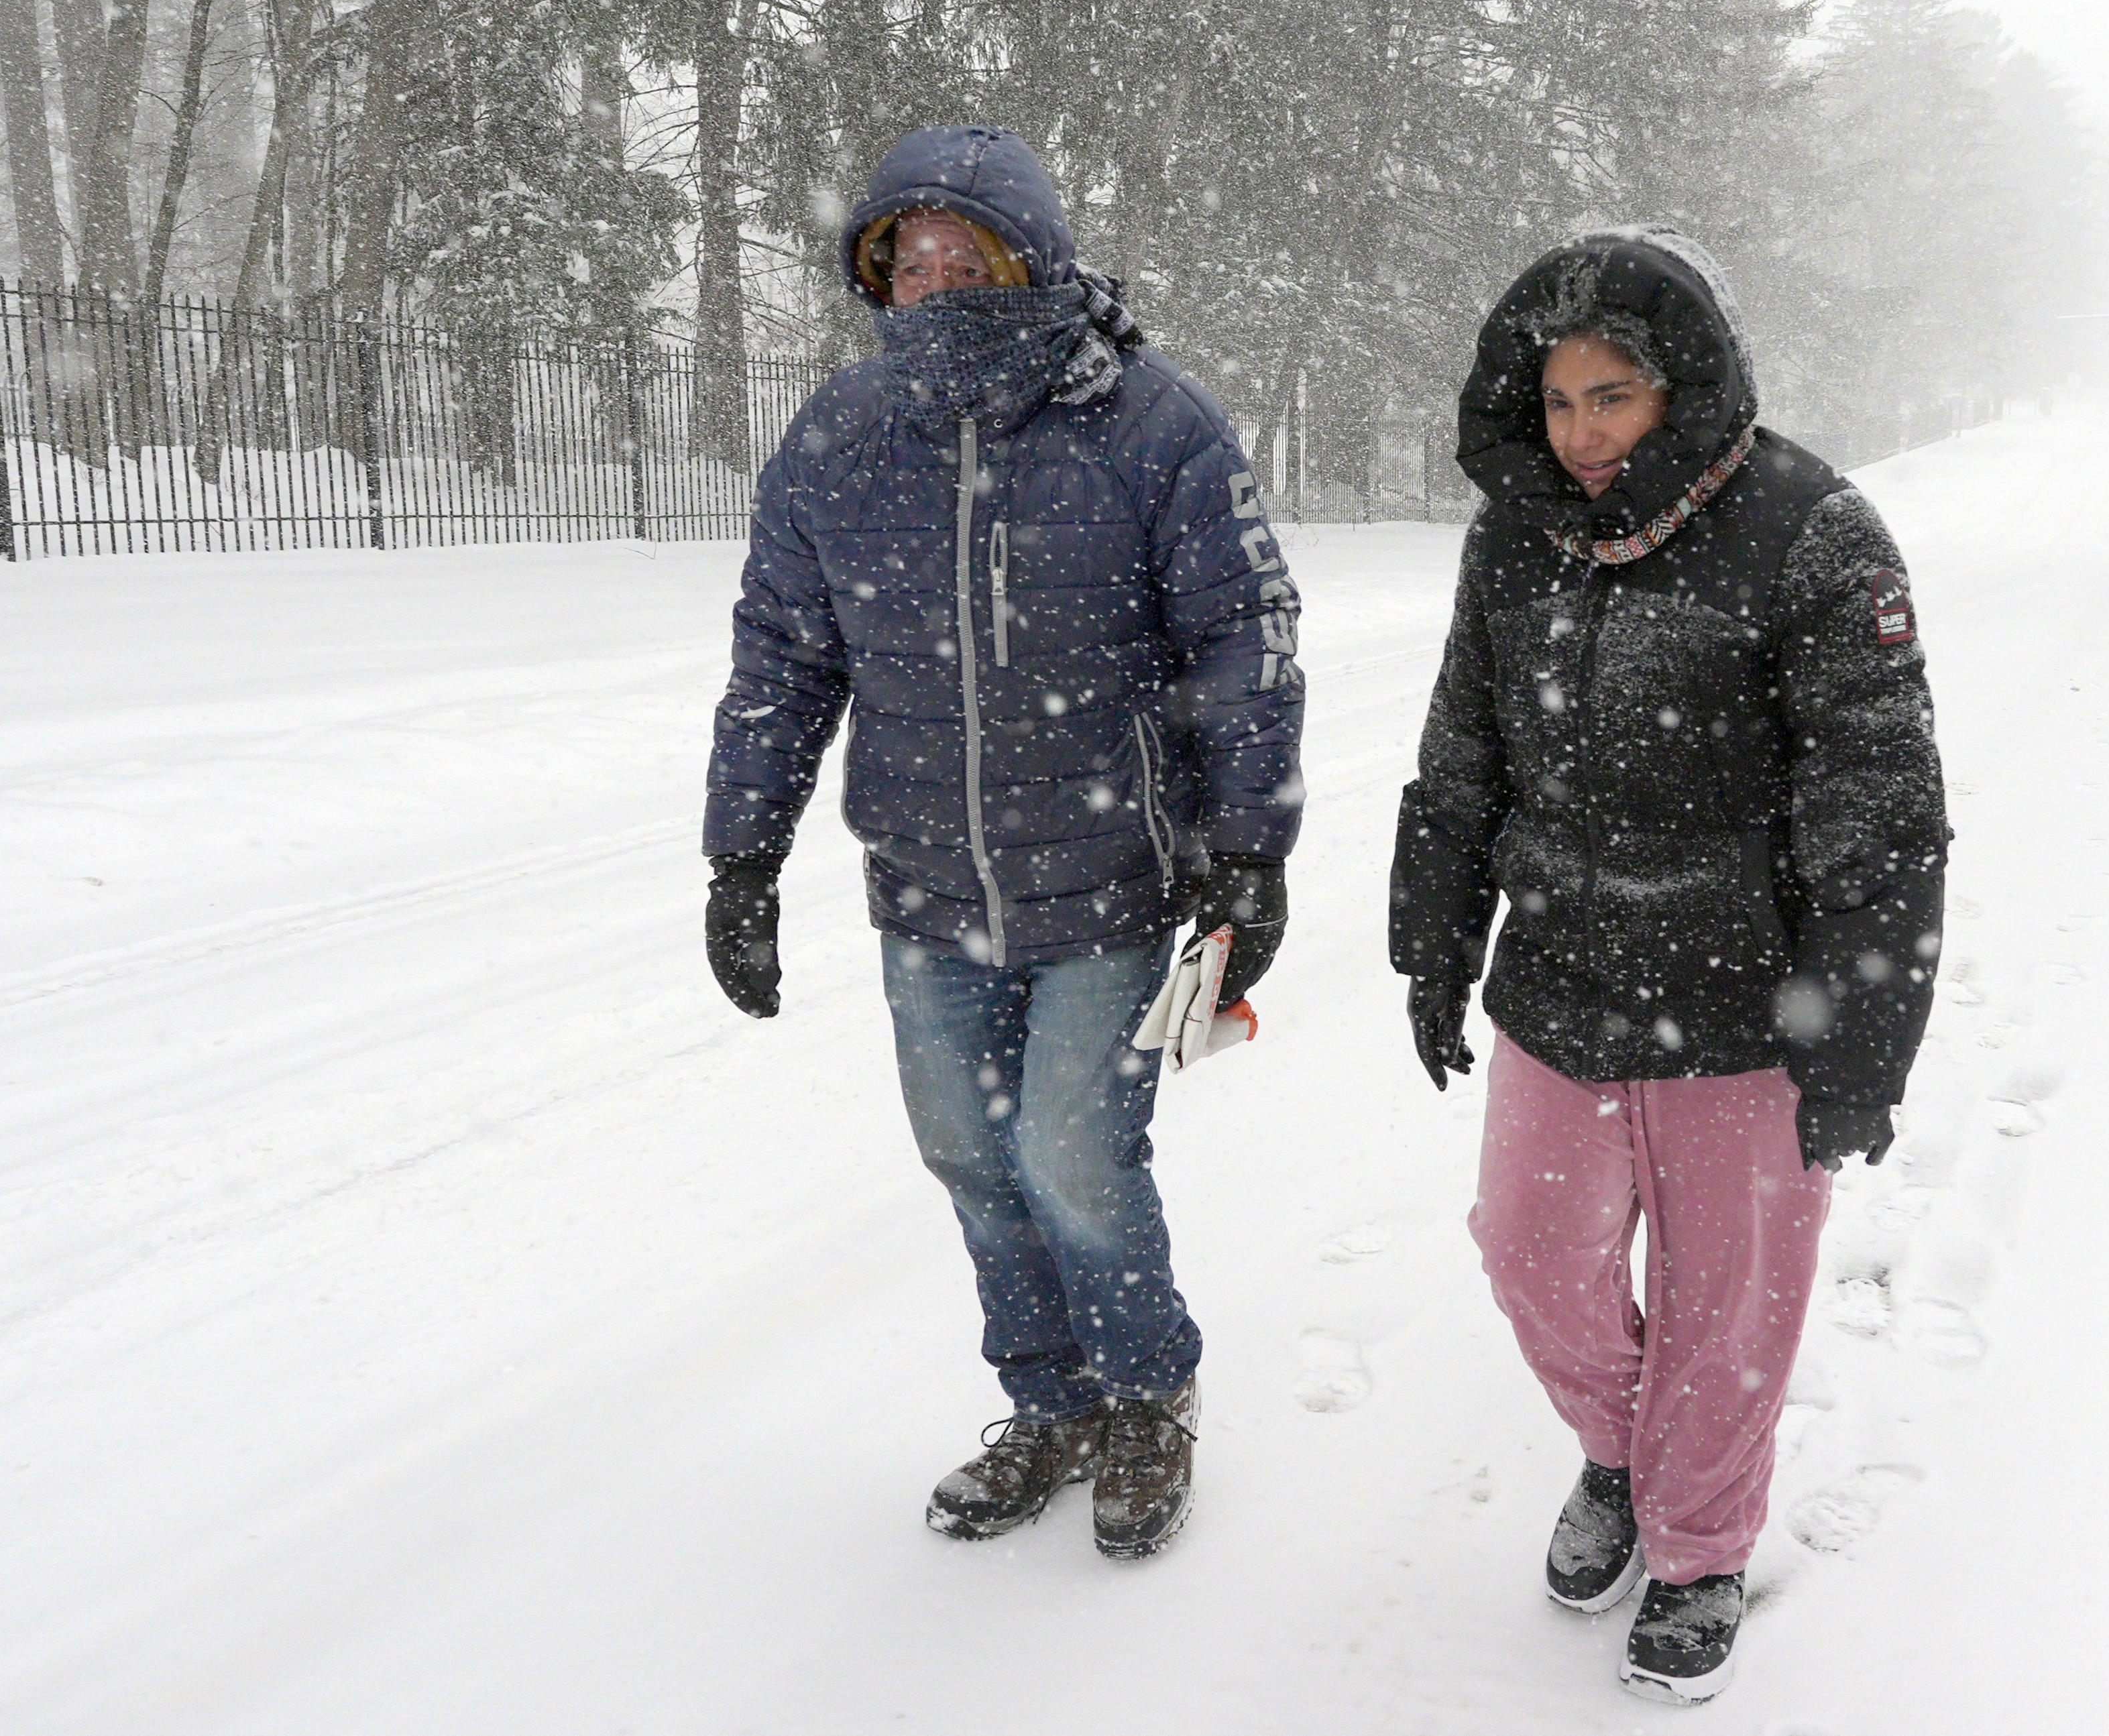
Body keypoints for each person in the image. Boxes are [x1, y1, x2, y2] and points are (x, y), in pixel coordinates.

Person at [701, 125, 1304, 1562]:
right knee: (971, 1155)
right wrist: (741, 855)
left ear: (1028, 260)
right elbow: (782, 654)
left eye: (962, 255)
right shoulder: (842, 435)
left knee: (1073, 1156)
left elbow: (1242, 642)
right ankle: (1052, 1403)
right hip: (926, 890)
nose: (934, 281)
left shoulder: (1152, 423)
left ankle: (1145, 1391)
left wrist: (1248, 850)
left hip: (1107, 881)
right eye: (906, 259)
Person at [1389, 227, 1946, 1701]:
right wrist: (1434, 942)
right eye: (1558, 400)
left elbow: (1880, 813)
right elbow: (1464, 748)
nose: (1581, 434)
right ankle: (1622, 1455)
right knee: (1529, 1254)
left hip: (1747, 1009)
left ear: (1682, 390)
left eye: (1613, 397)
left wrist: (1863, 1038)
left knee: (1728, 1303)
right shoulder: (1514, 534)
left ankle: (1698, 1545)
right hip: (1559, 986)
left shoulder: (1812, 531)